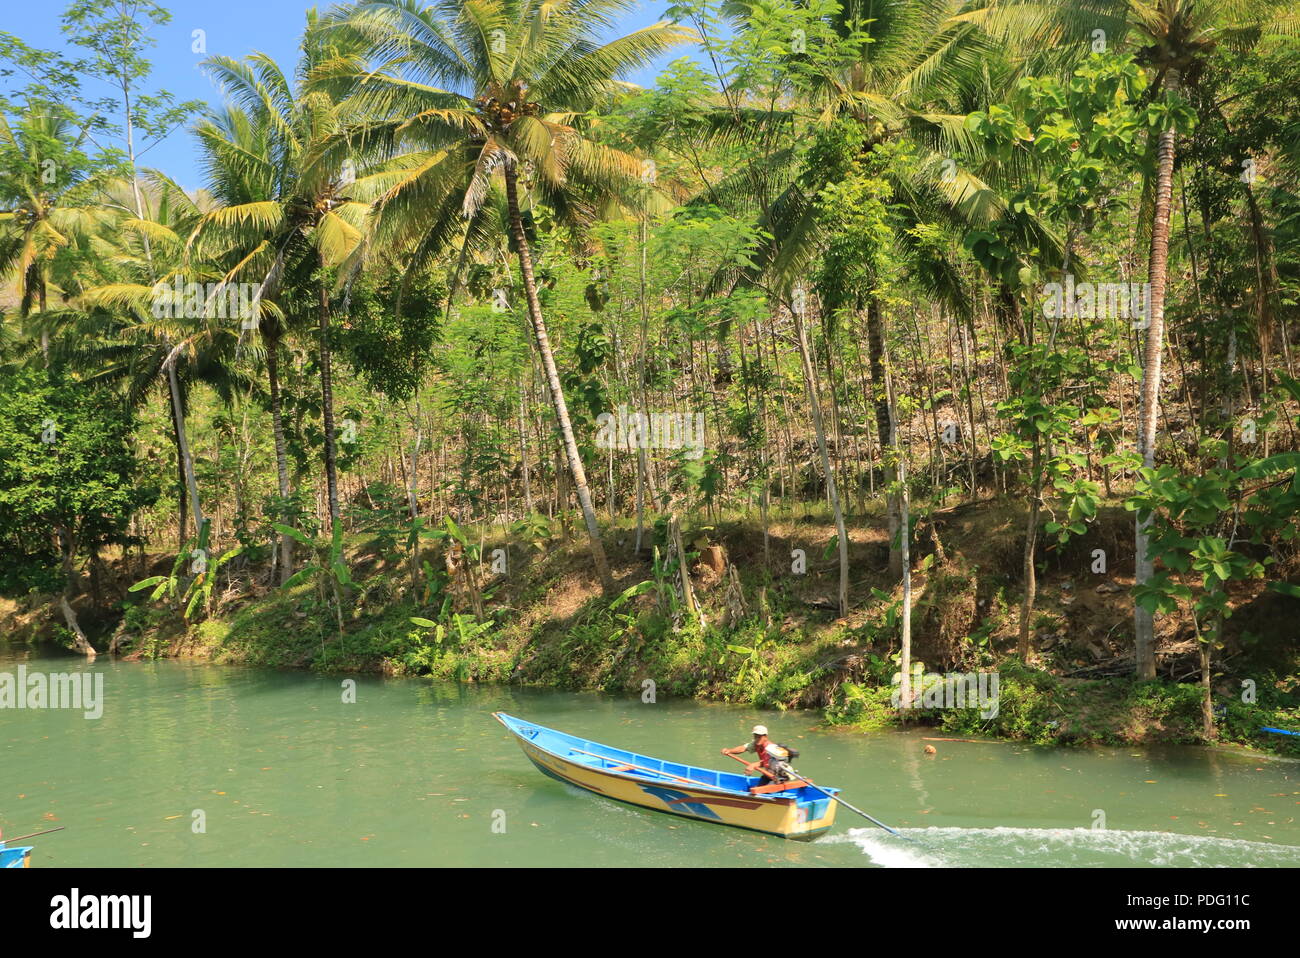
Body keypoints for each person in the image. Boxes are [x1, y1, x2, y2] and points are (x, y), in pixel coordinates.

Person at [722, 724, 796, 792]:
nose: (757, 738)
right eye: (755, 736)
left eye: (759, 736)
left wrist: (753, 765)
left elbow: (767, 762)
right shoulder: (756, 744)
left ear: (765, 737)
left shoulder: (771, 748)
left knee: (761, 792)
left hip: (781, 776)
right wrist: (729, 751)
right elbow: (743, 748)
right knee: (756, 790)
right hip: (768, 774)